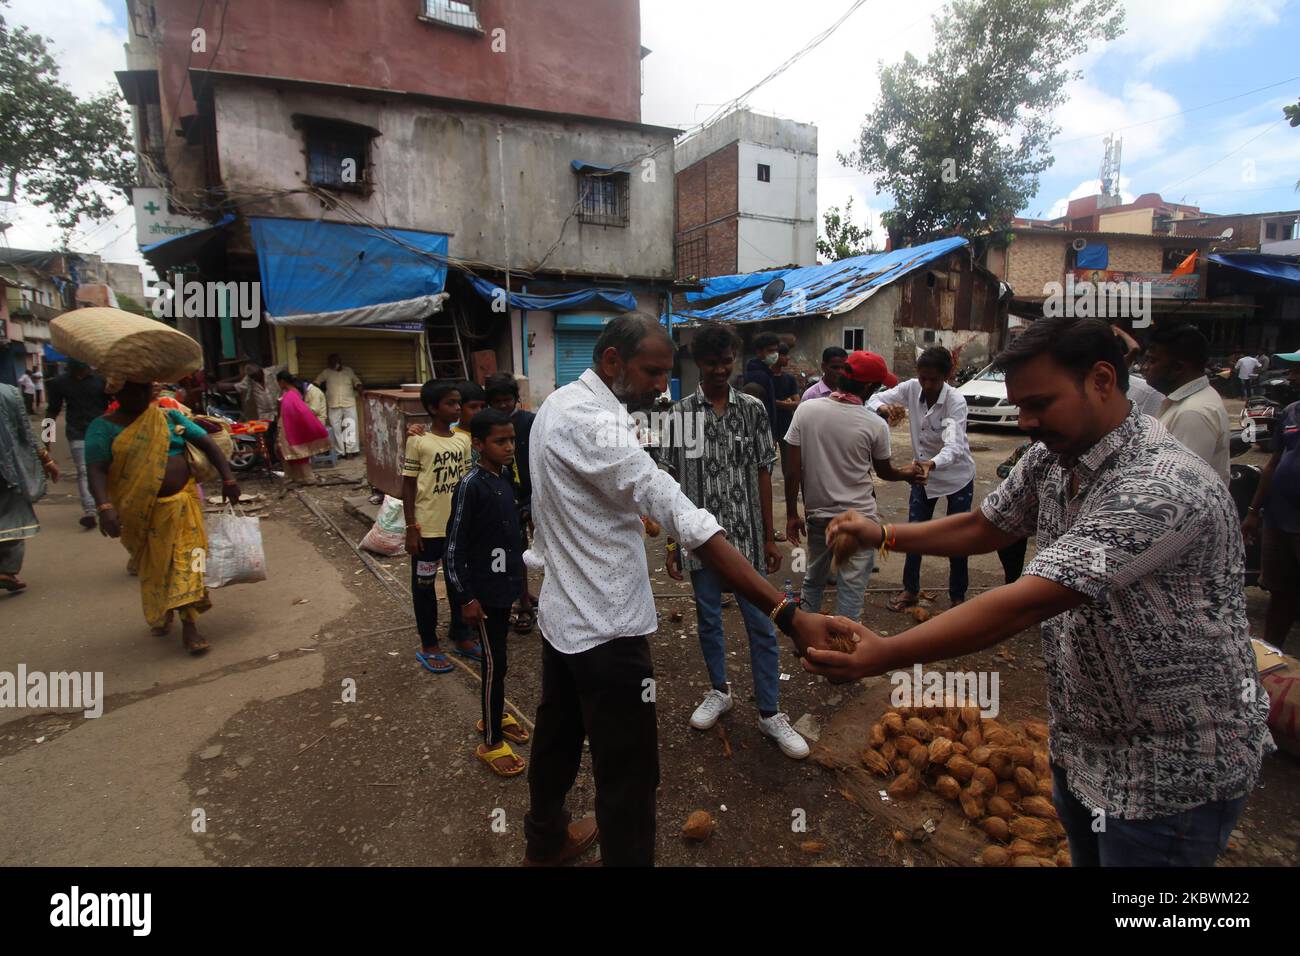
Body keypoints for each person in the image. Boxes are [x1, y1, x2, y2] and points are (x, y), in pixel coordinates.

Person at [809, 316, 1274, 867]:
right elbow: (989, 526)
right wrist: (884, 532)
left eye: (1039, 404)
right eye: (1020, 405)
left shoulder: (1163, 485)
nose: (1025, 421)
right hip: (1083, 744)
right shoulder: (1056, 456)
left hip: (1168, 772)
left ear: (1102, 380)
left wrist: (884, 654)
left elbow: (1029, 600)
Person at [522, 313, 851, 867]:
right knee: (628, 776)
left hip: (563, 619)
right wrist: (788, 613)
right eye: (652, 372)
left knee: (556, 736)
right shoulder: (595, 425)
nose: (660, 384)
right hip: (607, 630)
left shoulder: (559, 405)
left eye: (666, 372)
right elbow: (681, 513)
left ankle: (545, 839)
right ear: (611, 362)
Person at [654, 323, 807, 759]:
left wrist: (770, 535)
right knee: (708, 622)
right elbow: (670, 483)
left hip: (749, 541)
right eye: (711, 362)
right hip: (701, 543)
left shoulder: (754, 410)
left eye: (726, 361)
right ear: (698, 363)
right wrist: (672, 544)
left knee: (763, 623)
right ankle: (719, 692)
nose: (720, 369)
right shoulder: (680, 415)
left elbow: (764, 472)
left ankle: (770, 712)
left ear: (734, 360)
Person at [86, 380, 242, 655]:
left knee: (190, 561)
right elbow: (96, 469)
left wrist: (229, 478)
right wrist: (104, 508)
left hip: (184, 505)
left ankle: (190, 625)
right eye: (135, 390)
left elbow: (207, 443)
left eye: (145, 390)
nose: (143, 395)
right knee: (156, 566)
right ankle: (164, 609)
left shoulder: (169, 417)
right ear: (117, 393)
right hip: (141, 512)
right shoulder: (103, 428)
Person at [784, 350, 923, 620]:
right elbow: (885, 472)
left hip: (819, 515)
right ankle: (846, 650)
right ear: (870, 387)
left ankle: (807, 638)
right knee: (851, 590)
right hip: (860, 520)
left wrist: (792, 513)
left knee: (814, 578)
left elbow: (792, 472)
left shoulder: (806, 410)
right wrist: (907, 474)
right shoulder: (875, 424)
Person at [446, 408, 530, 777]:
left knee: (501, 663)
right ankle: (492, 741)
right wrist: (466, 598)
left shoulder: (504, 478)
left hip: (504, 589)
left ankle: (493, 716)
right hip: (482, 596)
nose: (509, 446)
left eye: (511, 439)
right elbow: (454, 549)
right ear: (478, 444)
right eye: (500, 441)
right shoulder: (470, 486)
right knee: (495, 666)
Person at [868, 346, 978, 609]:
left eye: (933, 380)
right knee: (915, 533)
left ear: (947, 376)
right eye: (923, 378)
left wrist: (932, 463)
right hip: (922, 474)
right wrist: (884, 408)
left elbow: (954, 446)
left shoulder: (955, 402)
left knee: (958, 537)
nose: (927, 385)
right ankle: (910, 590)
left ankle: (958, 596)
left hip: (956, 475)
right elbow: (872, 399)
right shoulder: (910, 388)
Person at [401, 381, 480, 674]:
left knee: (459, 584)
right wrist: (411, 527)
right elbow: (408, 486)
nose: (457, 408)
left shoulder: (461, 441)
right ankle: (429, 643)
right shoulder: (418, 441)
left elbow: (464, 485)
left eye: (459, 403)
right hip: (427, 531)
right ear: (433, 407)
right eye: (450, 403)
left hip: (456, 530)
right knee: (424, 588)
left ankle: (461, 636)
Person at [1242, 360, 1300, 650]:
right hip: (1279, 518)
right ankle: (1272, 653)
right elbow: (1273, 463)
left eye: (1298, 370)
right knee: (1279, 590)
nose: (1293, 376)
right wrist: (1253, 511)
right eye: (1293, 370)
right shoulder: (1290, 413)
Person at [1142, 324, 1231, 485]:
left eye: (1152, 360)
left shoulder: (1193, 412)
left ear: (1178, 367)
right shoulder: (1186, 402)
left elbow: (1178, 485)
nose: (1145, 367)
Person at [485, 372, 537, 634]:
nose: (504, 406)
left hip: (533, 494)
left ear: (516, 399)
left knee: (543, 549)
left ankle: (534, 599)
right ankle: (522, 603)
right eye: (497, 402)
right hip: (503, 496)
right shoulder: (485, 426)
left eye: (508, 400)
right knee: (514, 552)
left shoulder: (529, 421)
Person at [0, 383, 59, 592]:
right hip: (8, 469)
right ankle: (7, 569)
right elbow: (26, 431)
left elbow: (52, 411)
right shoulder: (9, 393)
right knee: (15, 517)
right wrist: (46, 455)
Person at [45, 360, 110, 529]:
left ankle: (107, 504)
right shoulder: (60, 383)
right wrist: (47, 438)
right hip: (77, 432)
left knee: (107, 469)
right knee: (83, 471)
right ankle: (90, 511)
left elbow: (116, 403)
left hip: (102, 431)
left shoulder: (101, 381)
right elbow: (52, 410)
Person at [215, 363, 283, 464]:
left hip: (278, 410)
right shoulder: (248, 380)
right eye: (252, 377)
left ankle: (280, 457)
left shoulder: (272, 372)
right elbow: (237, 387)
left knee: (280, 435)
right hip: (263, 414)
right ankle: (271, 459)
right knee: (266, 438)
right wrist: (219, 385)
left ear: (261, 371)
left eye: (256, 376)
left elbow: (288, 367)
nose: (254, 379)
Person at [274, 370, 332, 485]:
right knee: (293, 452)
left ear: (282, 381)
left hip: (290, 426)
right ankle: (298, 477)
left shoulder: (290, 394)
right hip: (291, 425)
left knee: (294, 452)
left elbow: (301, 411)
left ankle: (302, 477)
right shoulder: (293, 393)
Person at [314, 354, 364, 458]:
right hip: (333, 404)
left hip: (349, 403)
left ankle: (351, 450)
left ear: (339, 362)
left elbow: (356, 381)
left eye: (333, 362)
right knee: (335, 428)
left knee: (351, 426)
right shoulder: (326, 372)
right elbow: (316, 382)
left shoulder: (348, 371)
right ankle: (340, 451)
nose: (331, 364)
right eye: (330, 362)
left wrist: (359, 387)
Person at [741, 331, 781, 422]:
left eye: (776, 350)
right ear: (759, 352)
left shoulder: (766, 372)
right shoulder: (758, 376)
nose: (775, 354)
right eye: (770, 351)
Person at [771, 344, 800, 469]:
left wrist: (775, 402)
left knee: (788, 465)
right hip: (769, 425)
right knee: (767, 465)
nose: (788, 358)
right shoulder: (765, 378)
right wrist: (786, 403)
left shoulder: (789, 379)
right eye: (785, 355)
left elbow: (797, 404)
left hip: (786, 425)